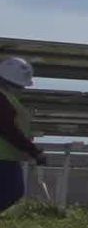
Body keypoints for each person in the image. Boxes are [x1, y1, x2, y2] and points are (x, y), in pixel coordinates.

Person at [1, 56, 49, 217]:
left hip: (9, 156)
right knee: (11, 192)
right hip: (3, 157)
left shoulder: (7, 98)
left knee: (13, 191)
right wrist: (34, 151)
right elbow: (8, 129)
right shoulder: (2, 99)